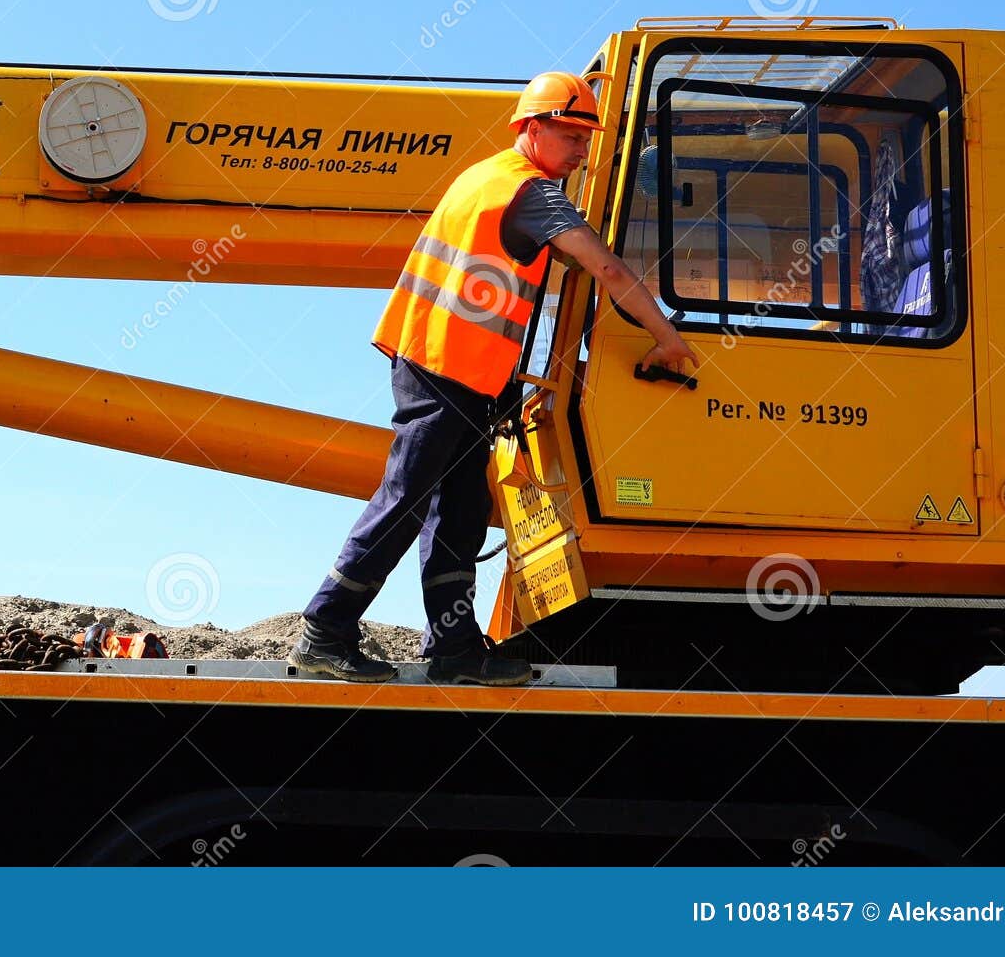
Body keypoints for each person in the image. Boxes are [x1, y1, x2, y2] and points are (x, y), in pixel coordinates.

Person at [289, 72, 699, 685]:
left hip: (452, 366)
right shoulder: (530, 192)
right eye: (571, 135)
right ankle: (325, 632)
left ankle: (454, 651)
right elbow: (607, 268)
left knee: (460, 508)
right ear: (531, 128)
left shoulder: (481, 178)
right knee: (406, 499)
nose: (582, 150)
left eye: (588, 137)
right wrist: (667, 338)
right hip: (445, 365)